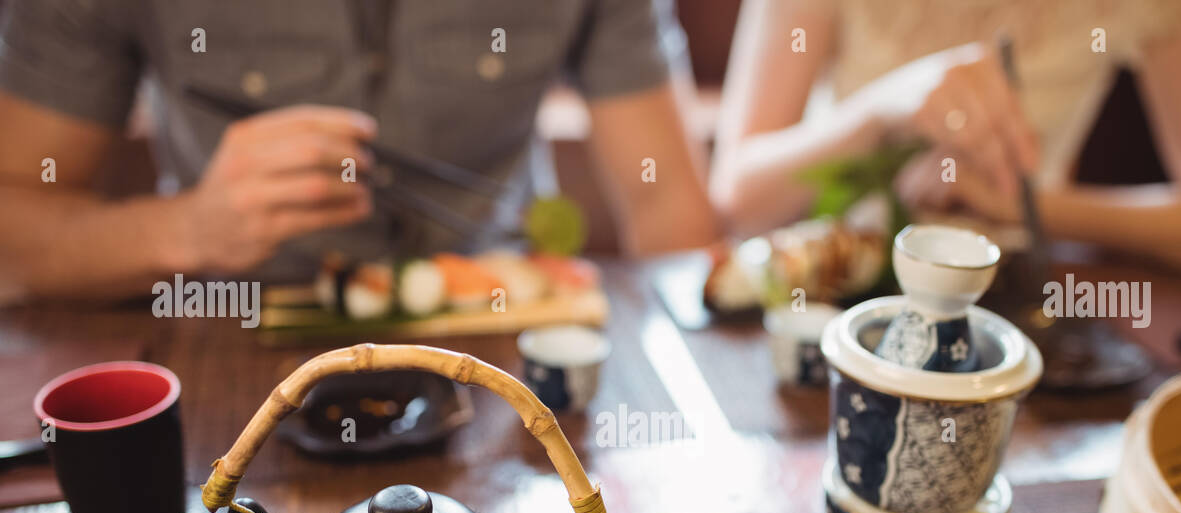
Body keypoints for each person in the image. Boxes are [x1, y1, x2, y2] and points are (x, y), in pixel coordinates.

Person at [0, 0, 717, 302]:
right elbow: (15, 228)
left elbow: (670, 211)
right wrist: (188, 228)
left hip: (498, 340)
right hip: (240, 333)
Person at [710, 0, 1181, 280]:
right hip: (825, 287)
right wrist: (882, 109)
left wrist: (1026, 205)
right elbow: (739, 195)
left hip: (1012, 300)